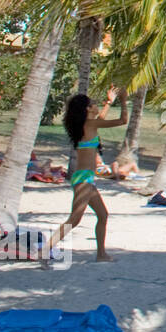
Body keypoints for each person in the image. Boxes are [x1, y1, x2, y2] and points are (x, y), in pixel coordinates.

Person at [47, 87, 127, 262]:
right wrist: (122, 100)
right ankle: (44, 250)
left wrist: (109, 102)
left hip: (86, 178)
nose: (95, 105)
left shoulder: (88, 125)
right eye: (92, 104)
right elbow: (122, 120)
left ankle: (101, 254)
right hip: (84, 179)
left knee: (103, 215)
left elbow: (100, 118)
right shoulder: (90, 125)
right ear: (87, 109)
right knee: (74, 219)